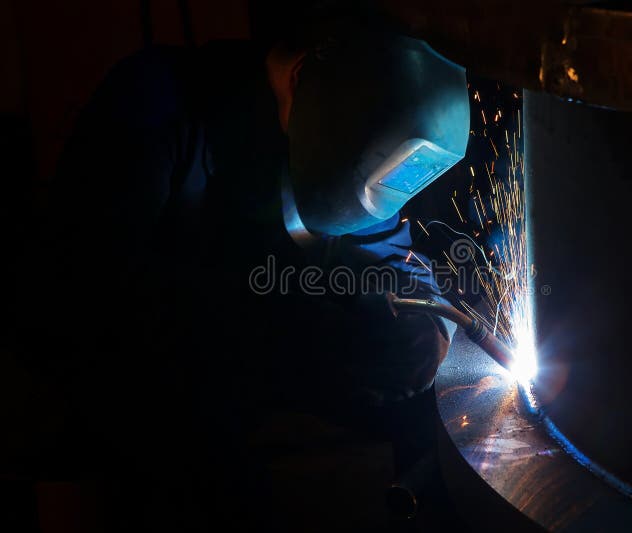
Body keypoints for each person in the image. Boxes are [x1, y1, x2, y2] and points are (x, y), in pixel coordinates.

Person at [5, 8, 467, 532]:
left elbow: (385, 242)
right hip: (147, 392)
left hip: (269, 371)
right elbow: (84, 296)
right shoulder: (157, 102)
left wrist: (425, 321)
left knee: (428, 423)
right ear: (301, 76)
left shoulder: (352, 122)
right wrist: (289, 328)